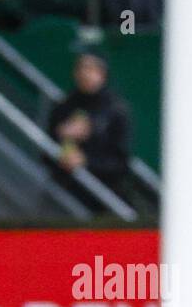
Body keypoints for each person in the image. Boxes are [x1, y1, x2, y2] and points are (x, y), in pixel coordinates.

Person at [47, 50, 133, 209]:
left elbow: (121, 164)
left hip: (103, 200)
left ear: (103, 74)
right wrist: (61, 139)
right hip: (63, 196)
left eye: (92, 69)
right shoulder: (64, 107)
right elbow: (46, 153)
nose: (85, 74)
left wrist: (85, 160)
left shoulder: (116, 110)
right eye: (81, 68)